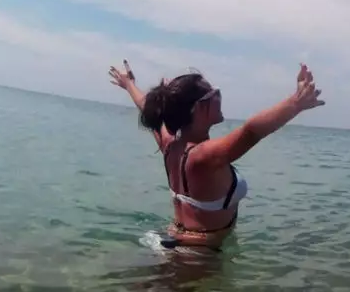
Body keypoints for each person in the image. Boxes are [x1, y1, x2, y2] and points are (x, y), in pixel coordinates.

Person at [108, 59, 324, 252]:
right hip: (196, 257)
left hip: (174, 242)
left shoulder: (170, 145)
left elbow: (148, 108)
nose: (221, 97)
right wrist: (295, 103)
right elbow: (251, 131)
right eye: (215, 94)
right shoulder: (204, 155)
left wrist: (129, 85)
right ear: (198, 108)